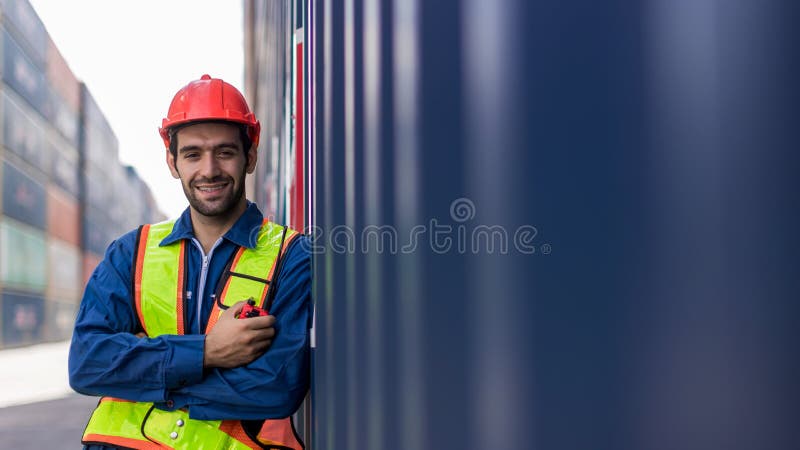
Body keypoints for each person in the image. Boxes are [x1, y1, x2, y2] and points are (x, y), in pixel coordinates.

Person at [69, 74, 310, 449]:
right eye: (193, 154)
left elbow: (277, 385)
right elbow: (88, 363)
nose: (209, 169)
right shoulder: (131, 252)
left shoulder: (291, 256)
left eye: (225, 152)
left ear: (250, 156)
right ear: (172, 161)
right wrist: (210, 352)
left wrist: (145, 374)